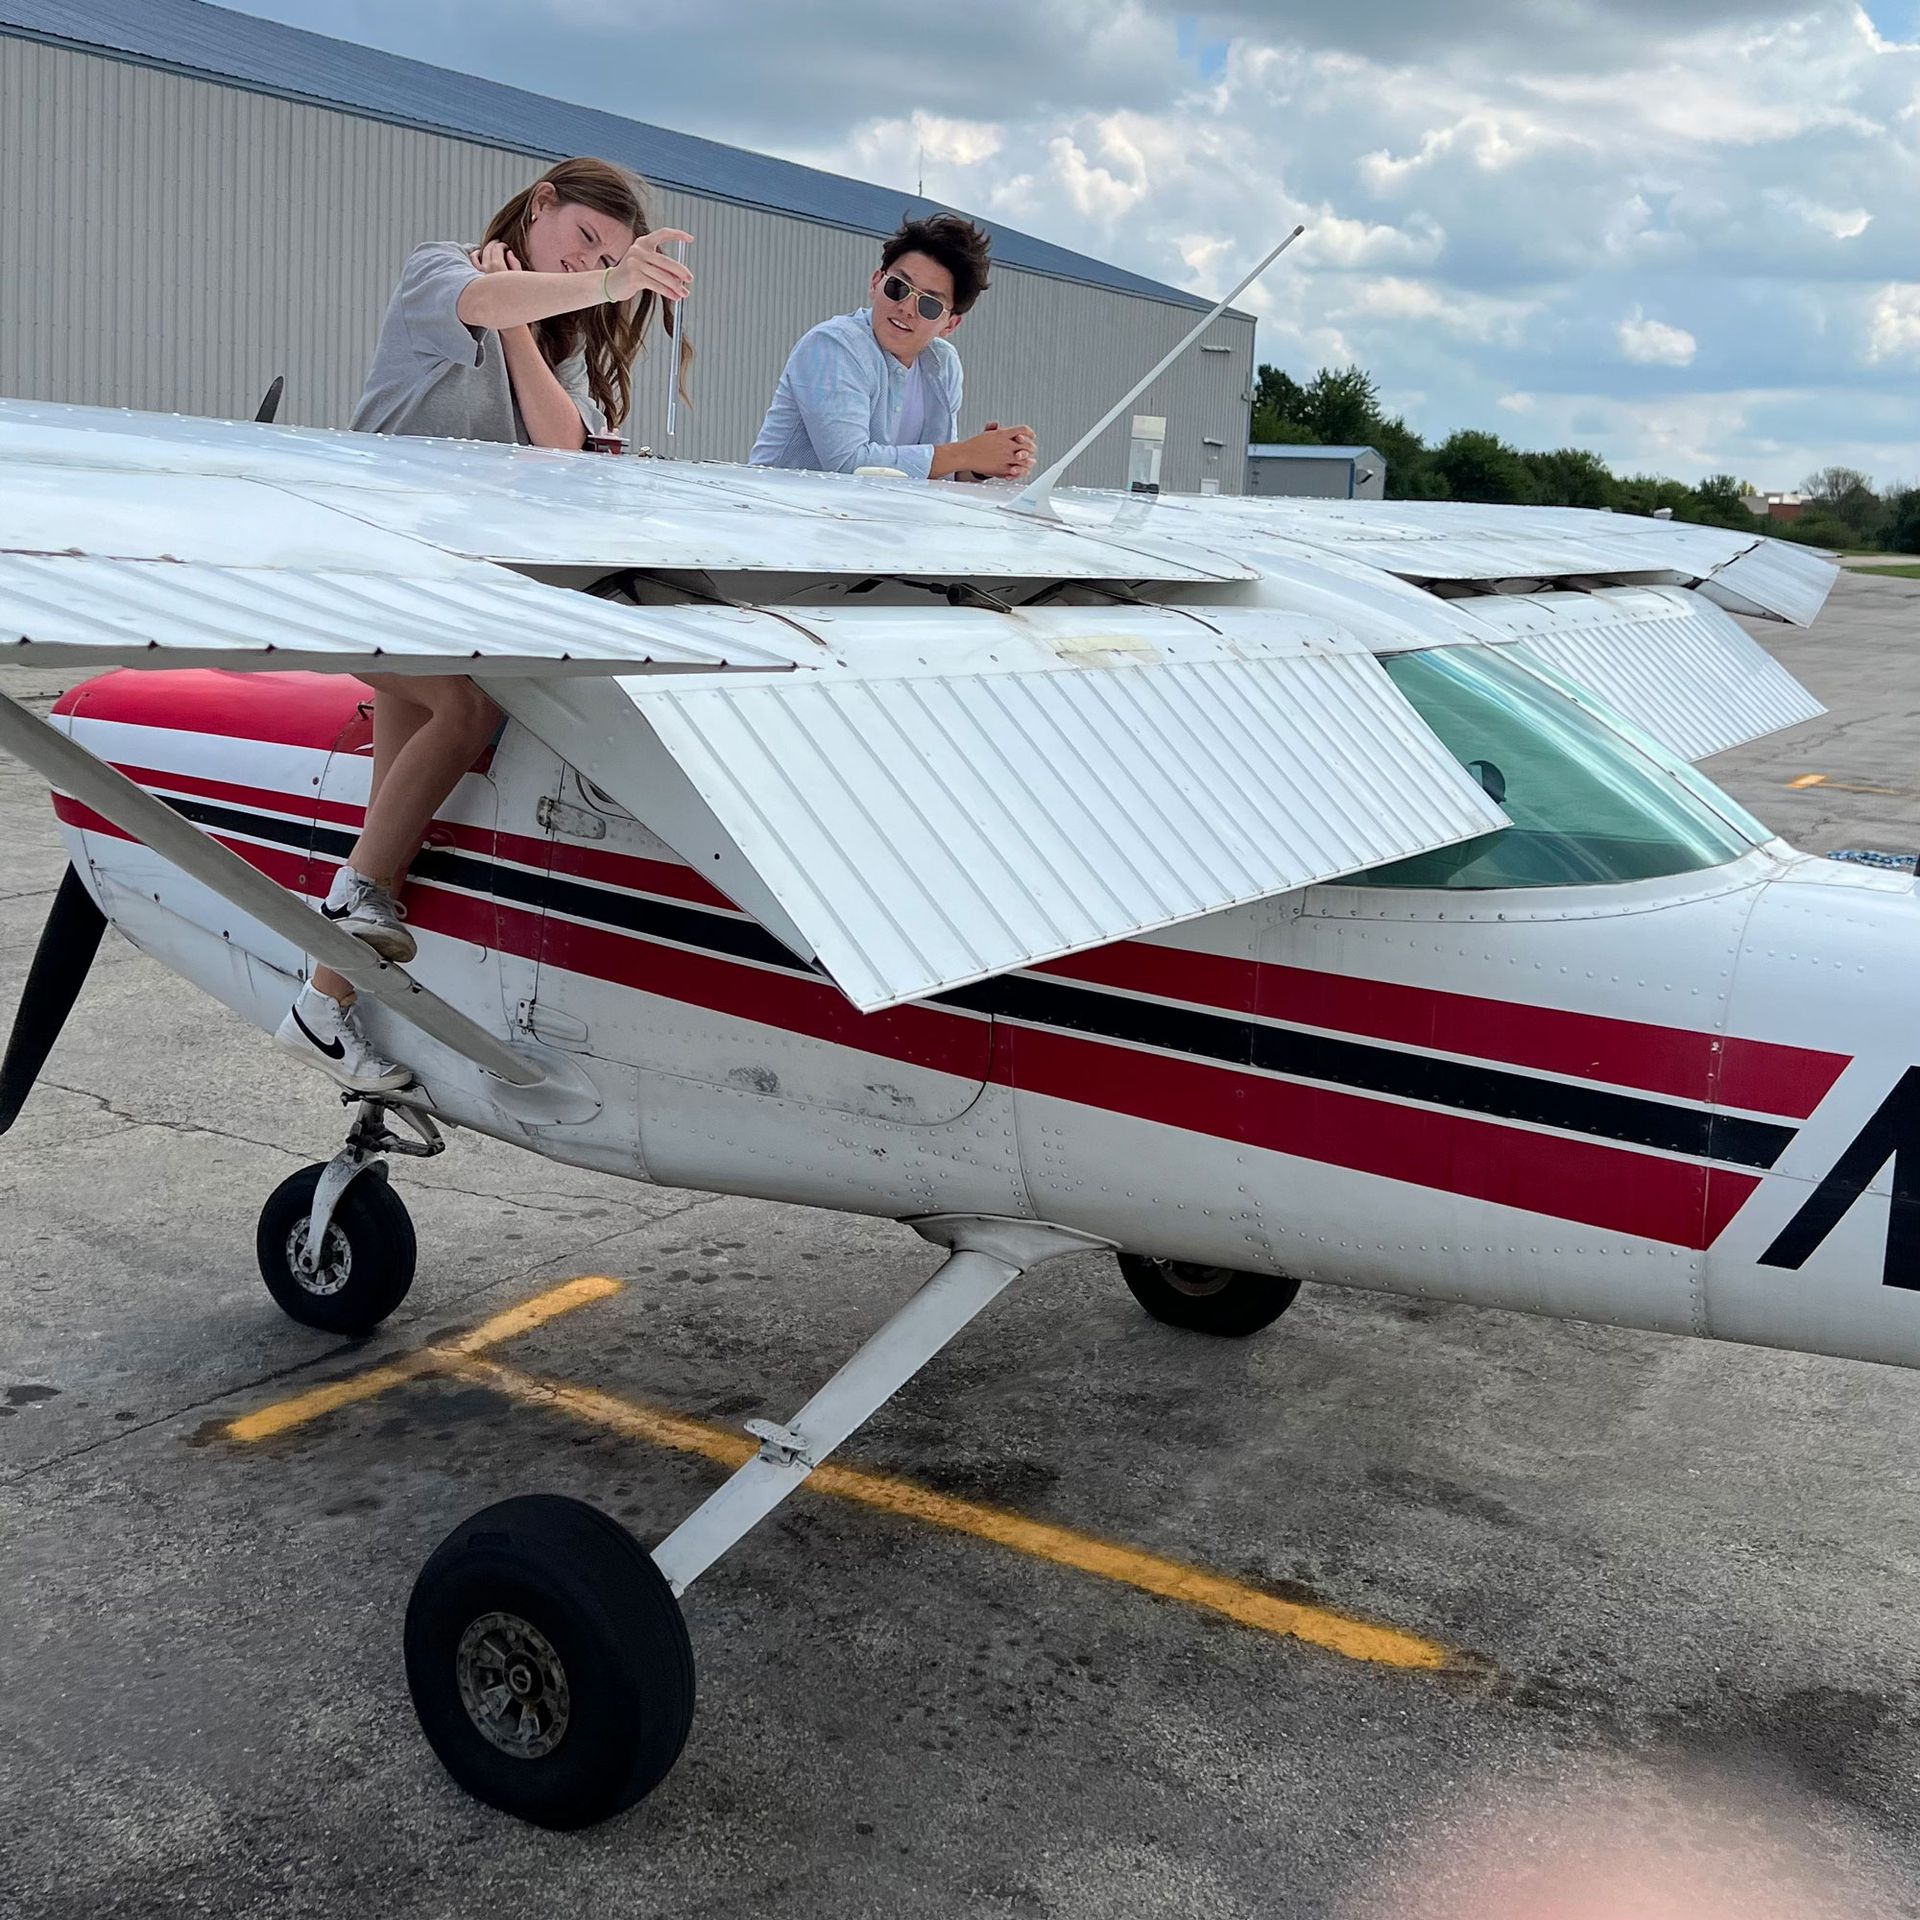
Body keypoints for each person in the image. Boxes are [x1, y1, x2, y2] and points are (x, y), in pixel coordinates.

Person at [275, 157, 693, 1095]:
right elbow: (478, 298)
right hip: (369, 568)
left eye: (613, 255)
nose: (594, 262)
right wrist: (605, 285)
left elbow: (561, 445)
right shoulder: (437, 270)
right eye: (584, 238)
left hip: (447, 595)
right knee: (465, 717)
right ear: (539, 205)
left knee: (394, 824)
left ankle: (321, 1003)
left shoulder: (547, 339)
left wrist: (526, 341)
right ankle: (343, 912)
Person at [749, 213, 1036, 483]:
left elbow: (929, 473)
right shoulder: (832, 346)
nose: (906, 308)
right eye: (898, 287)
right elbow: (849, 465)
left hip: (861, 522)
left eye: (929, 304)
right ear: (876, 282)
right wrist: (964, 454)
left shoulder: (943, 364)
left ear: (950, 325)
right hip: (780, 522)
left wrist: (980, 464)